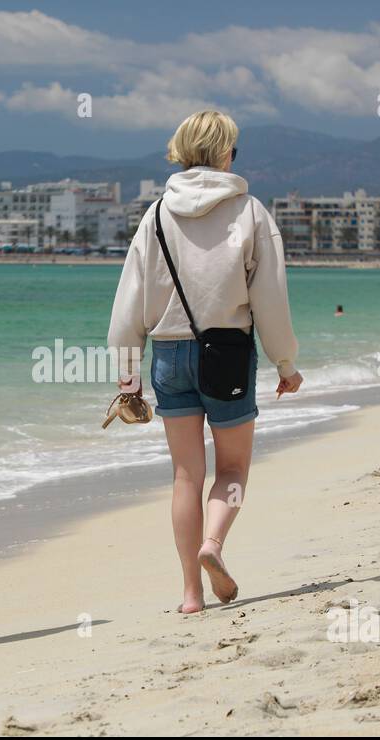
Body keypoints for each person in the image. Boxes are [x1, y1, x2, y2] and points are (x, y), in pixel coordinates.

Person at [108, 111, 302, 614]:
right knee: (233, 467)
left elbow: (128, 304)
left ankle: (191, 594)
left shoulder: (155, 216)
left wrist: (127, 375)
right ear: (225, 154)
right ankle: (213, 545)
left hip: (168, 356)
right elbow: (271, 299)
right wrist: (285, 363)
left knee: (185, 476)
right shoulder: (251, 212)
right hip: (229, 354)